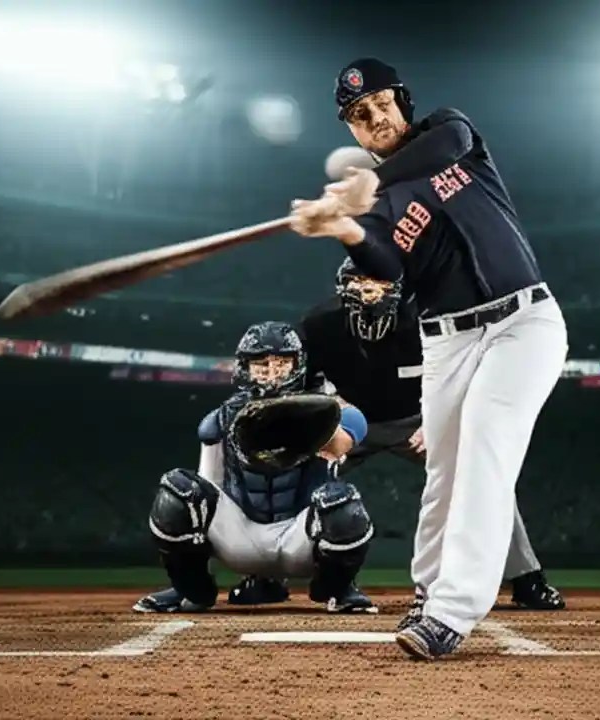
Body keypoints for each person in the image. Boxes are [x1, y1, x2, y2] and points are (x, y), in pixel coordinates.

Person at [289, 58, 569, 660]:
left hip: (523, 322)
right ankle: (428, 589)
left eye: (382, 103)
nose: (375, 117)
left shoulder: (450, 134)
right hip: (446, 338)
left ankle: (452, 611)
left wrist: (371, 185)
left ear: (403, 100)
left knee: (486, 448)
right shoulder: (376, 203)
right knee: (444, 466)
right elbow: (386, 265)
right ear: (351, 131)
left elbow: (449, 143)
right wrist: (342, 227)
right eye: (359, 116)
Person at [225, 258, 566, 613]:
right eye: (359, 283)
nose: (369, 292)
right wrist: (326, 407)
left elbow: (468, 372)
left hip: (420, 418)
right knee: (288, 466)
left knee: (482, 476)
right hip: (345, 421)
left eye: (379, 282)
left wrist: (437, 420)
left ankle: (528, 578)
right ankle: (266, 574)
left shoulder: (429, 318)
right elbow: (296, 376)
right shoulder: (319, 323)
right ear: (343, 288)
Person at [131, 321, 378, 614]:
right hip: (240, 538)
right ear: (244, 368)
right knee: (177, 489)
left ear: (298, 365)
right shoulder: (221, 419)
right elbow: (208, 485)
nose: (272, 373)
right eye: (261, 364)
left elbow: (351, 431)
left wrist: (310, 428)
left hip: (301, 539)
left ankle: (337, 589)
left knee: (341, 501)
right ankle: (191, 590)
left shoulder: (324, 409)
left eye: (282, 363)